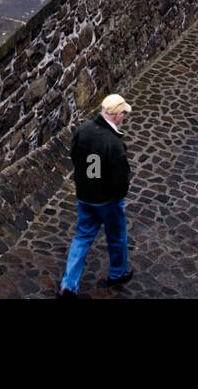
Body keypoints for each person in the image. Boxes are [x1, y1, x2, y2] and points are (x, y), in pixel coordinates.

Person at [59, 94, 134, 296]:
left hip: (85, 195)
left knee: (82, 237)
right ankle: (117, 273)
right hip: (107, 201)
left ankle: (68, 284)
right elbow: (120, 183)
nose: (124, 117)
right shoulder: (114, 145)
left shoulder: (83, 130)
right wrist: (117, 196)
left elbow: (74, 156)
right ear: (117, 115)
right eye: (124, 113)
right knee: (117, 236)